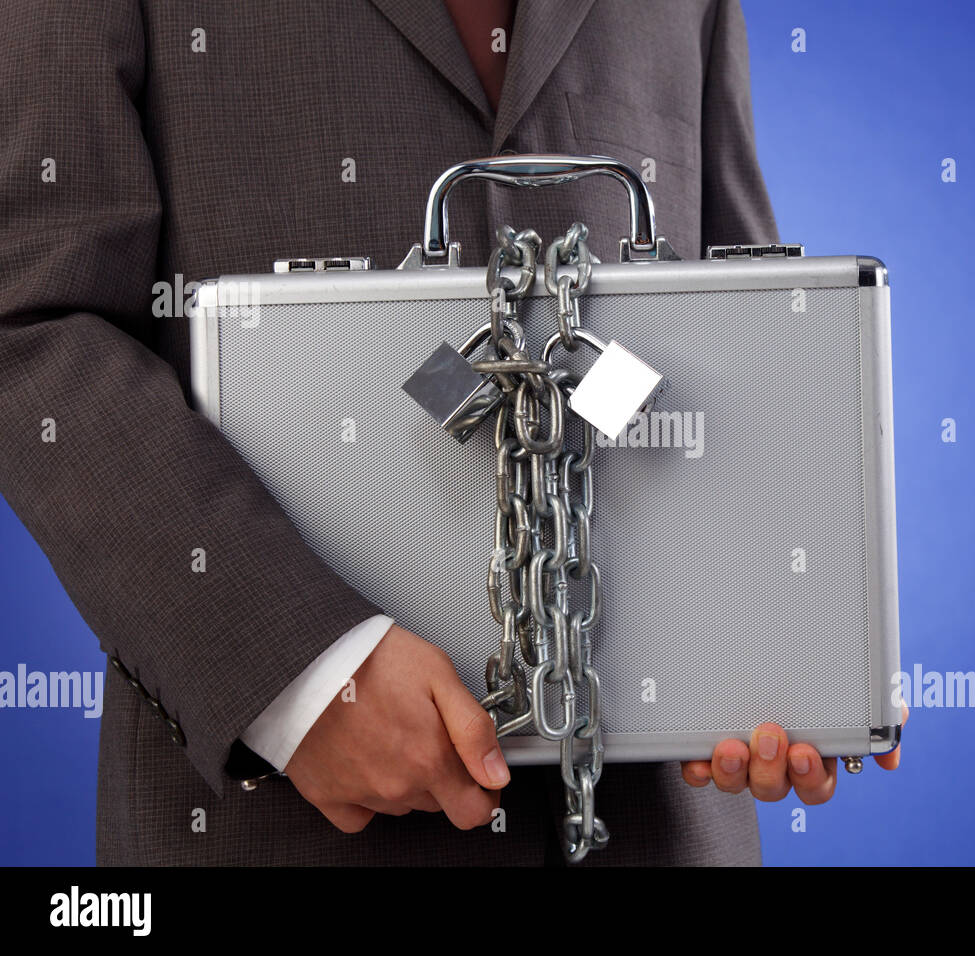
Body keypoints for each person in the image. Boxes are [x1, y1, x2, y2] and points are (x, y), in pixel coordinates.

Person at [0, 0, 901, 866]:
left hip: (655, 830)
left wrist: (790, 650)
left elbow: (749, 329)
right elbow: (28, 321)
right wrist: (304, 674)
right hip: (287, 832)